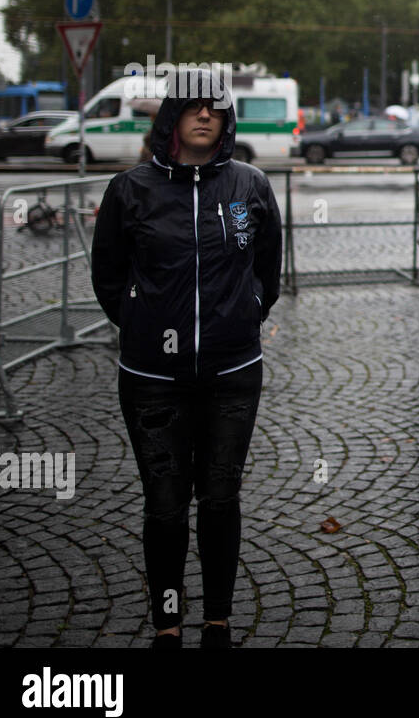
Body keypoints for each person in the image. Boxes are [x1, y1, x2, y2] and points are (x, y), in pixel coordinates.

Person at [91, 69, 282, 648]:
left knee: (221, 497)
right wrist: (144, 322)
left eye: (215, 109)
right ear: (171, 118)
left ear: (226, 121)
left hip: (232, 373)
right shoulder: (131, 190)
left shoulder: (250, 184)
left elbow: (268, 270)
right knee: (166, 505)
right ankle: (168, 622)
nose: (205, 116)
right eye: (193, 107)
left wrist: (248, 309)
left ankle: (217, 620)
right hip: (153, 379)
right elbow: (108, 275)